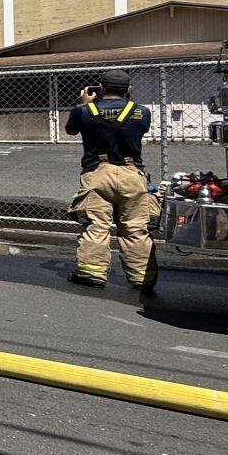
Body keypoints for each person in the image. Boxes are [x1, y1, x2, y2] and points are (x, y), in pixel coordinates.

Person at [64, 69, 158, 291]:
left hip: (96, 173)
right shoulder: (141, 112)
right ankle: (142, 277)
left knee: (96, 225)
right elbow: (139, 129)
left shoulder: (83, 111)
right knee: (135, 227)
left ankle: (91, 273)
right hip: (131, 173)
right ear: (128, 89)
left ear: (100, 87)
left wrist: (85, 102)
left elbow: (71, 130)